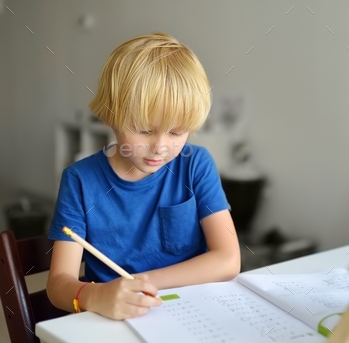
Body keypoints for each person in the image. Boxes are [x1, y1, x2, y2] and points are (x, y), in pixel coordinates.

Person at [46, 32, 240, 320]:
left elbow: (228, 260)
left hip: (192, 315)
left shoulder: (196, 164)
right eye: (145, 130)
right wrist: (97, 294)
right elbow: (58, 285)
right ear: (111, 115)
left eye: (176, 132)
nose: (160, 147)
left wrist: (141, 284)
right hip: (114, 321)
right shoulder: (80, 181)